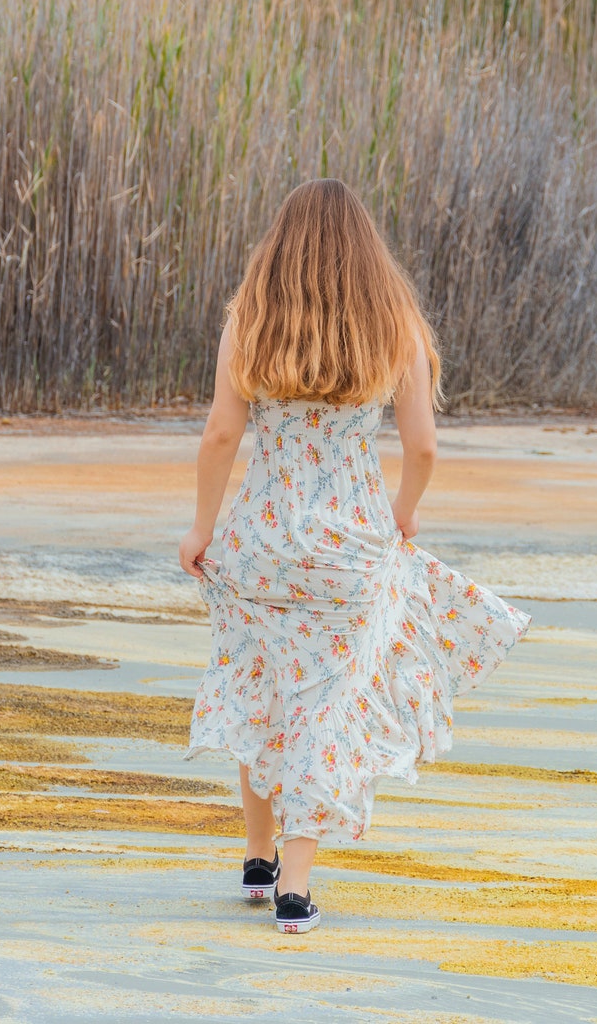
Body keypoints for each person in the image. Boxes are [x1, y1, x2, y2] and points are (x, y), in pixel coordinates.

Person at [178, 178, 530, 934]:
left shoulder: (252, 321)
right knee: (321, 708)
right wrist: (398, 519)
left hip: (263, 548)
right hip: (350, 553)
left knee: (262, 686)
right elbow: (424, 447)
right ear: (367, 253)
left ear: (280, 245)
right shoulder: (391, 326)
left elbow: (218, 437)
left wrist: (201, 529)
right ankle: (295, 890)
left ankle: (254, 856)